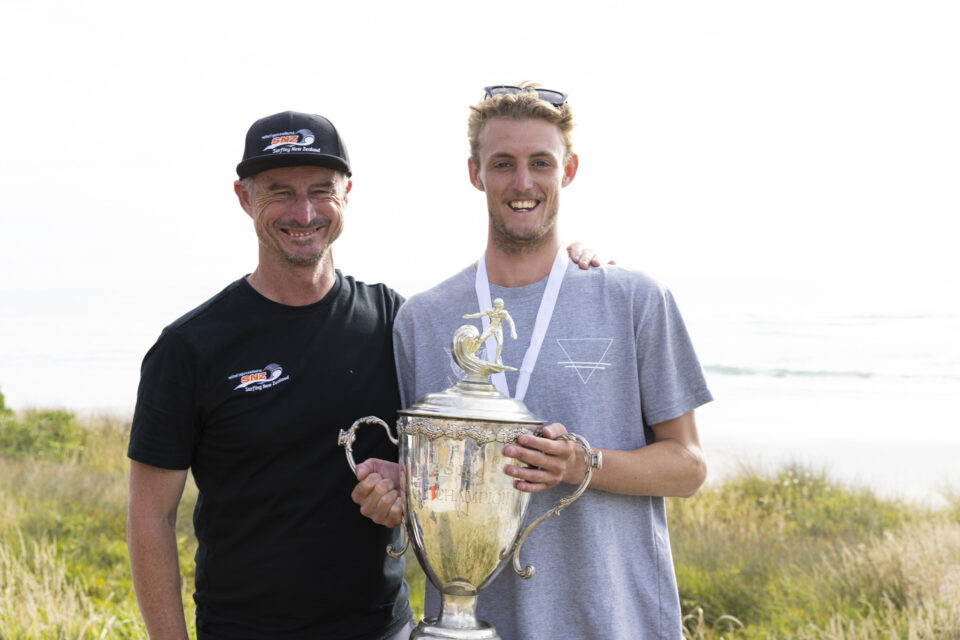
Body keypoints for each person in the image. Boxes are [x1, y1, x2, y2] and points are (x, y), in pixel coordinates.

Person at [126, 110, 605, 640]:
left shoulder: (393, 322)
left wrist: (573, 266)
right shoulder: (190, 347)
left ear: (347, 194)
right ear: (244, 198)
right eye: (279, 192)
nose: (304, 212)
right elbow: (151, 517)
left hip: (385, 629)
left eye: (321, 191)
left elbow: (462, 437)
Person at [353, 84, 713, 639]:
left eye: (539, 163)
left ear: (567, 170)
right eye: (503, 164)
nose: (523, 183)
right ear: (475, 173)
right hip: (468, 628)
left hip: (615, 625)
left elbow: (688, 467)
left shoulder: (634, 299)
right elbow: (427, 477)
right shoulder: (421, 320)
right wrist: (395, 487)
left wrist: (581, 465)